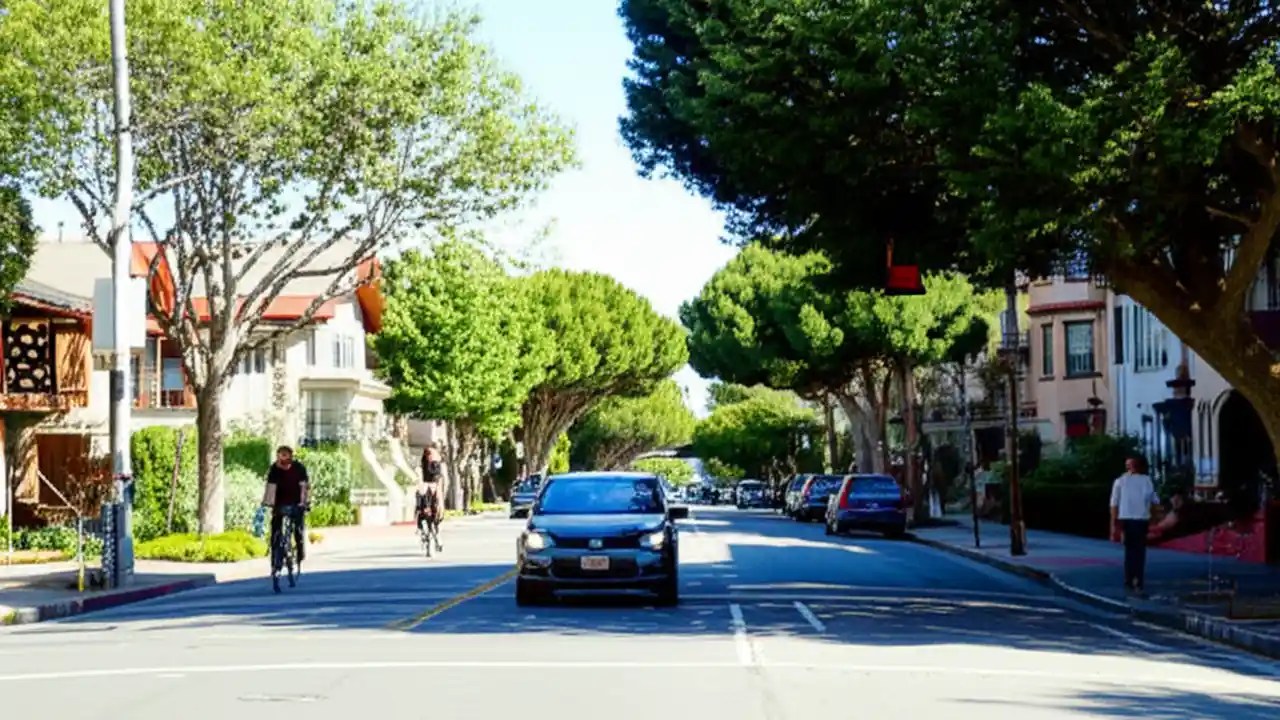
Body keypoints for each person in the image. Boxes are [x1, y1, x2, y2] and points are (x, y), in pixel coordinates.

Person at [1110, 455, 1159, 595]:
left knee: (1129, 550)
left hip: (1126, 519)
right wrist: (1154, 518)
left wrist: (1114, 525)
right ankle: (1138, 578)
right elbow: (1154, 500)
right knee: (1140, 551)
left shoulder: (1120, 482)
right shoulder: (1146, 481)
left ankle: (1129, 578)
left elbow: (1114, 505)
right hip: (1141, 519)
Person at [262, 445, 309, 563]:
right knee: (275, 526)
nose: (283, 463)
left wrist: (303, 503)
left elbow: (304, 487)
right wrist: (268, 502)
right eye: (280, 458)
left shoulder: (299, 468)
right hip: (280, 502)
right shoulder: (274, 469)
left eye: (285, 458)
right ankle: (275, 551)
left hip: (296, 502)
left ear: (290, 458)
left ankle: (300, 549)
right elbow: (271, 487)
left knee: (298, 527)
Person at [416, 445, 445, 552]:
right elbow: (420, 478)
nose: (430, 456)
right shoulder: (423, 465)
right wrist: (421, 486)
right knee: (420, 498)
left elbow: (439, 479)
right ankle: (420, 523)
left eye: (432, 453)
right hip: (425, 486)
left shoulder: (437, 465)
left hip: (434, 486)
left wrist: (436, 488)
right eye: (428, 454)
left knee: (436, 510)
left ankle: (437, 536)